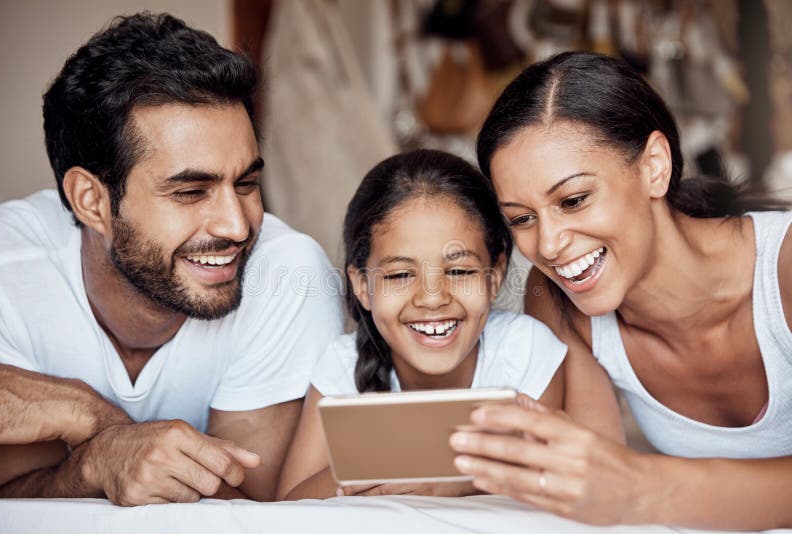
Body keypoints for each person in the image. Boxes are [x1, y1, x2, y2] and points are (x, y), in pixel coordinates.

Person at [0, 13, 343, 505]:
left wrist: (88, 433)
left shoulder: (289, 274)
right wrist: (95, 441)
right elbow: (8, 503)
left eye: (245, 183)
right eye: (190, 191)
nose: (237, 226)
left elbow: (253, 514)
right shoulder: (5, 272)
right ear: (91, 201)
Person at [448, 51, 792, 530]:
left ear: (654, 166)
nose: (547, 245)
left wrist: (643, 486)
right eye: (521, 219)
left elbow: (626, 489)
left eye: (573, 200)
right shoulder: (555, 300)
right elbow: (596, 492)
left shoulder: (785, 268)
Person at [276, 149, 623, 500]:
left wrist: (458, 479)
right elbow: (287, 506)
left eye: (459, 271)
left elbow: (541, 487)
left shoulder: (524, 353)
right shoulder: (341, 367)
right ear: (363, 285)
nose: (432, 298)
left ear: (494, 276)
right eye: (399, 274)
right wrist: (372, 469)